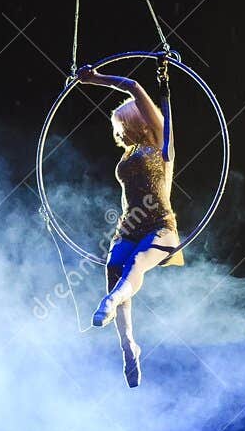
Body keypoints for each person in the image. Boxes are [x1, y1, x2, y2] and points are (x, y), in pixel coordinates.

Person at [74, 56, 180, 387]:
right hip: (130, 226)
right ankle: (128, 346)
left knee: (135, 265)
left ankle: (112, 300)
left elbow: (133, 87)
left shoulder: (163, 145)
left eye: (127, 120)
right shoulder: (129, 153)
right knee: (114, 266)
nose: (123, 127)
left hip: (160, 225)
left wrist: (95, 79)